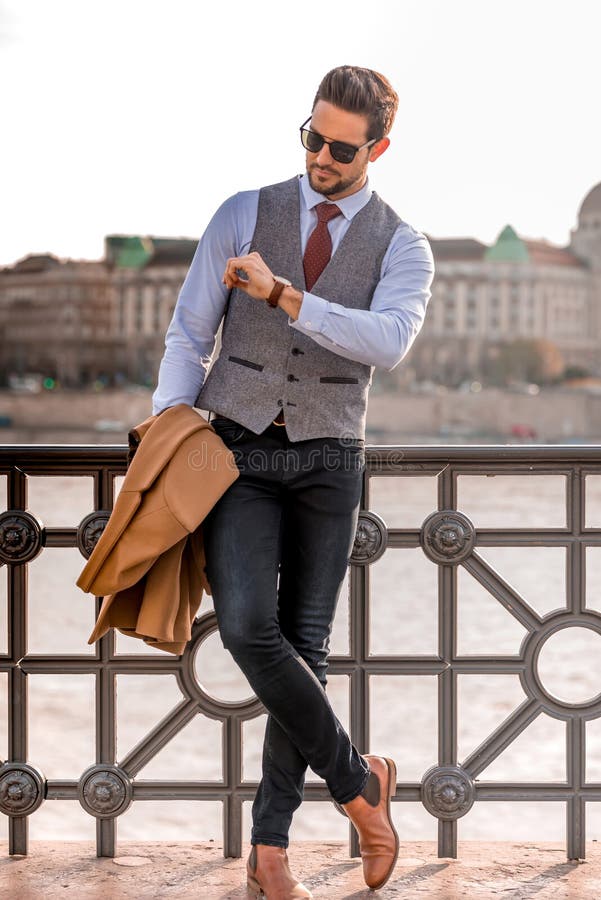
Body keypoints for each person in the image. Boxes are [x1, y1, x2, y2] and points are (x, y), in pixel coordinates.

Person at [152, 65, 434, 898]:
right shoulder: (241, 213)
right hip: (233, 451)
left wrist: (285, 295)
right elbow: (188, 330)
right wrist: (172, 420)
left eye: (339, 147)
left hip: (328, 459)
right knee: (246, 629)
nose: (319, 155)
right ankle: (360, 787)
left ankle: (268, 851)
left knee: (304, 651)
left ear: (375, 147)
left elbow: (386, 342)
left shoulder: (403, 245)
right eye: (310, 136)